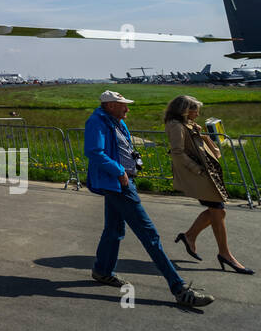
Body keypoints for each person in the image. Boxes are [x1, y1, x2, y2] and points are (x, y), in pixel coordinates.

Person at [84, 89, 213, 307]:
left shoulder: (115, 121)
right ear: (110, 105)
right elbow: (94, 151)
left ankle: (102, 271)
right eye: (123, 104)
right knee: (149, 234)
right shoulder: (97, 121)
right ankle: (179, 288)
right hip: (118, 184)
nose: (127, 108)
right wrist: (118, 170)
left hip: (123, 181)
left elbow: (122, 148)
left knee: (114, 230)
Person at [165, 95, 254, 275]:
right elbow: (177, 152)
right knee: (217, 211)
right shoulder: (176, 126)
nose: (197, 113)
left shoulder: (188, 125)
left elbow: (212, 151)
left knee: (218, 211)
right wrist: (197, 169)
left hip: (207, 173)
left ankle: (190, 236)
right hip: (199, 175)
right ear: (184, 110)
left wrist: (203, 136)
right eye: (195, 109)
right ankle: (225, 254)